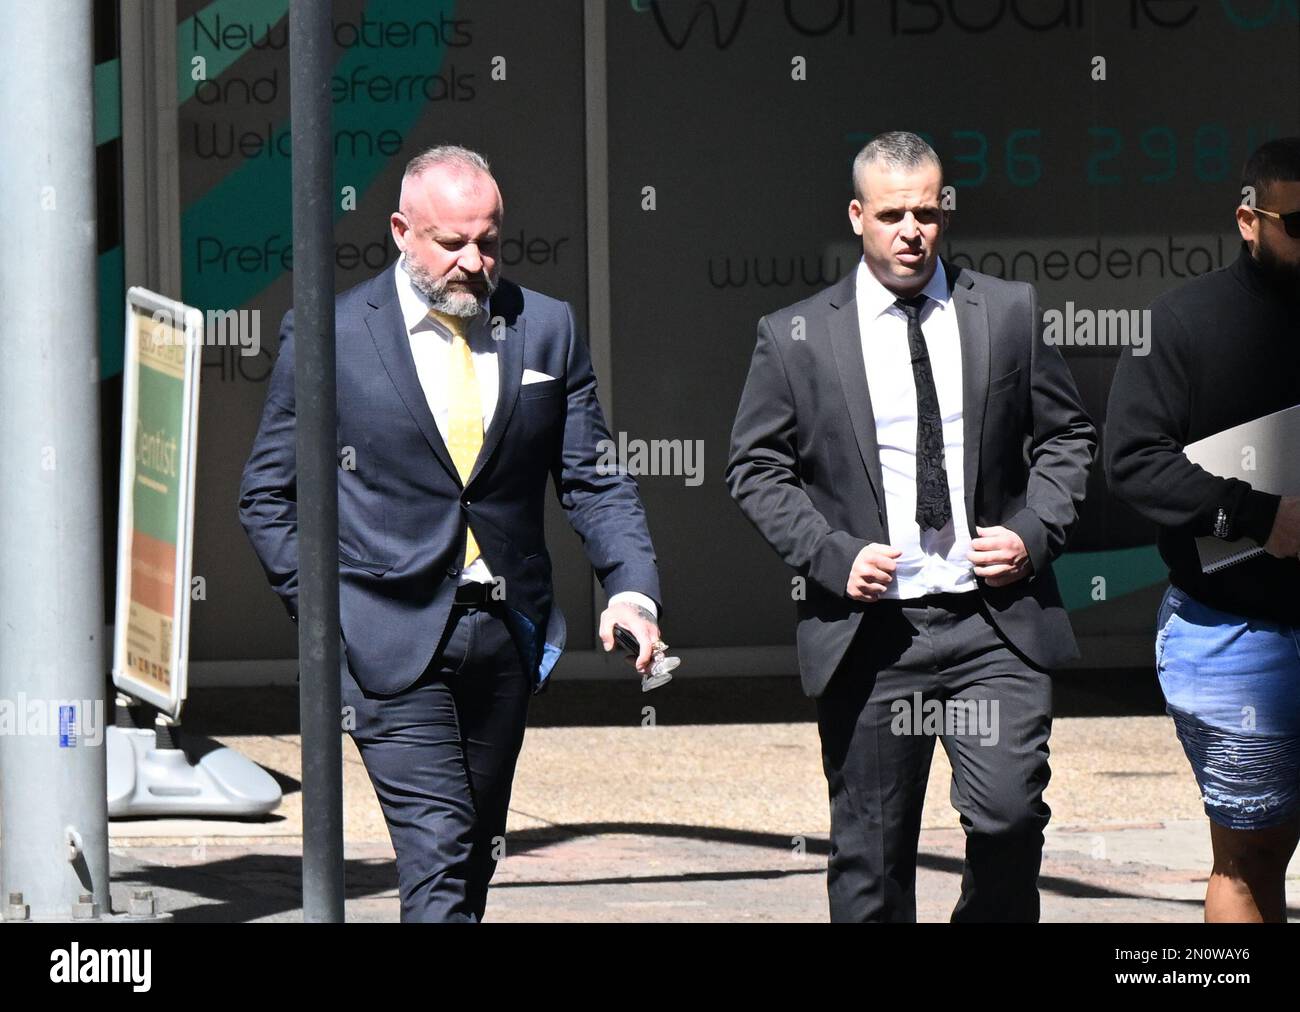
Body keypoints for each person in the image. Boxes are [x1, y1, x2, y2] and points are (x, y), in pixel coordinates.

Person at [239, 145, 663, 922]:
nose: (474, 260)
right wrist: (330, 618)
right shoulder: (332, 335)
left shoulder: (546, 329)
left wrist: (630, 590)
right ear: (402, 230)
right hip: (386, 641)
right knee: (438, 853)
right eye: (452, 242)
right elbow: (268, 495)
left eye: (490, 241)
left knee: (472, 858)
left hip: (505, 635)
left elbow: (593, 477)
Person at [726, 131, 1095, 922]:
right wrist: (829, 555)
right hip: (873, 635)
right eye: (892, 214)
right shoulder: (796, 337)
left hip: (992, 625)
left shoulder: (1005, 311)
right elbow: (756, 468)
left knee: (1009, 817)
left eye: (926, 212)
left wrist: (1032, 532)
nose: (911, 231)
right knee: (872, 863)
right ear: (857, 215)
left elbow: (1067, 437)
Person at [1106, 137, 1300, 923]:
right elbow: (1132, 459)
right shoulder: (1183, 323)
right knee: (1250, 856)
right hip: (1237, 634)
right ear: (1248, 221)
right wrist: (1259, 517)